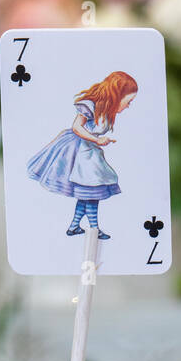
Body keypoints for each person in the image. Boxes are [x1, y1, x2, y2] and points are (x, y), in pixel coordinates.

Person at [26, 71, 137, 239]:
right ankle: (94, 229)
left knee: (88, 195)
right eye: (128, 101)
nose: (128, 106)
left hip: (90, 154)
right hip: (80, 154)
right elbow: (76, 127)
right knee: (92, 194)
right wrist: (96, 140)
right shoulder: (91, 105)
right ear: (117, 94)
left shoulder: (107, 110)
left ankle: (74, 226)